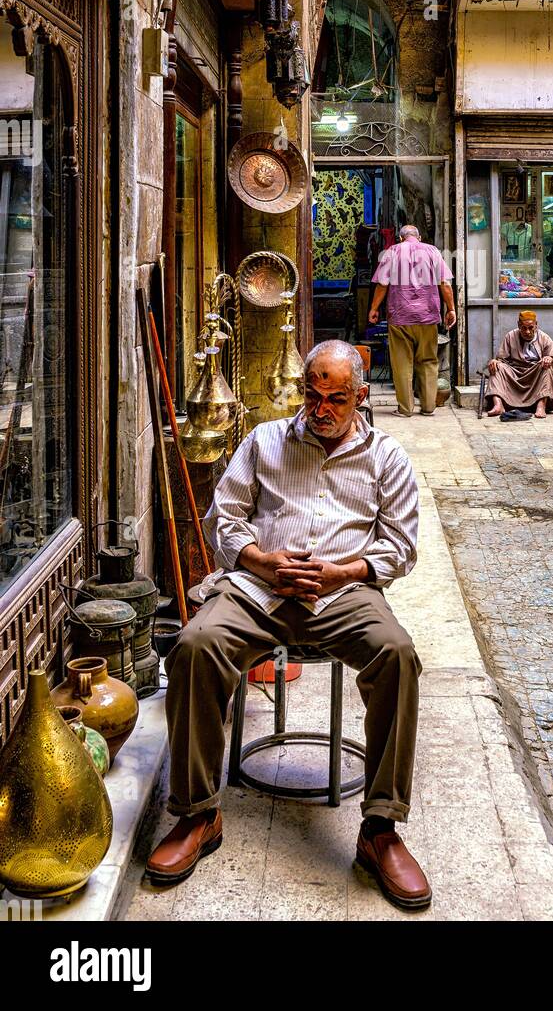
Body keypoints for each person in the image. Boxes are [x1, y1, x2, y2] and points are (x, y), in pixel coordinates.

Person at [145, 341, 431, 911]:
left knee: (397, 653)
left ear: (360, 396)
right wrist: (260, 561)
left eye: (336, 399)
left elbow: (400, 547)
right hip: (260, 588)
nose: (321, 409)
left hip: (343, 592)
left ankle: (380, 830)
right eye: (312, 395)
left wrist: (339, 572)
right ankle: (198, 813)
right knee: (195, 644)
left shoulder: (386, 457)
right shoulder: (265, 441)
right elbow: (223, 518)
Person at [368, 224, 456, 418]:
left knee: (402, 363)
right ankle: (428, 407)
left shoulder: (392, 252)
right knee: (428, 361)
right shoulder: (432, 251)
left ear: (400, 238)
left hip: (400, 317)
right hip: (428, 316)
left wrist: (374, 308)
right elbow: (445, 283)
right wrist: (451, 309)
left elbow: (383, 284)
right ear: (420, 236)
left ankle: (405, 408)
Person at [485, 310, 553, 419]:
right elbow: (501, 359)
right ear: (518, 325)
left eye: (531, 328)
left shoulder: (544, 338)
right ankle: (498, 405)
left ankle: (541, 406)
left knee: (547, 367)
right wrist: (495, 361)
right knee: (496, 367)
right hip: (515, 373)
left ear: (536, 325)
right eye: (524, 328)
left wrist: (549, 358)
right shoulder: (510, 336)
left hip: (535, 374)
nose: (527, 332)